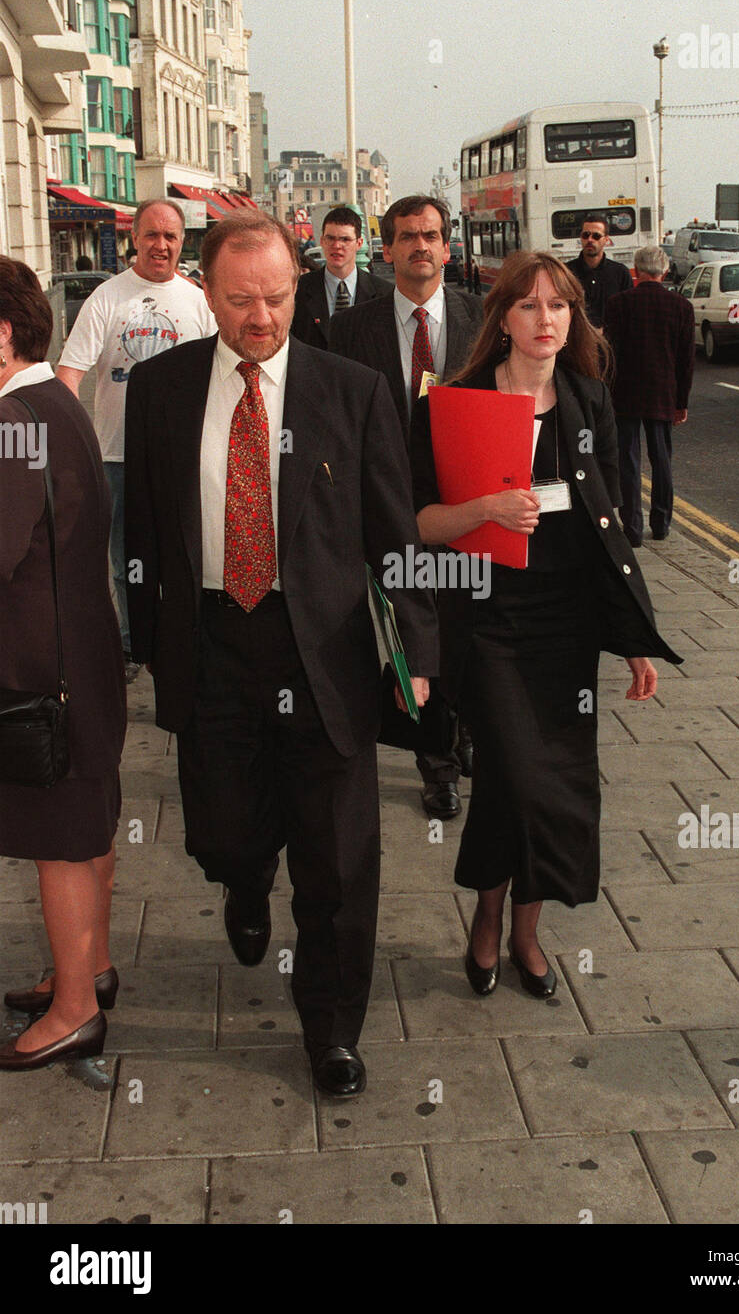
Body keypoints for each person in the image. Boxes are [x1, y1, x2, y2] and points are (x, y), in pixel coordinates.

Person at [124, 213, 438, 1098]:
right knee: (225, 825)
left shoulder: (352, 391)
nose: (259, 318)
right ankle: (244, 876)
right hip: (213, 645)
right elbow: (143, 524)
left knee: (338, 858)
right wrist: (146, 641)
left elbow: (394, 530)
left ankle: (331, 1029)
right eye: (238, 299)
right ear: (206, 290)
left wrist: (415, 647)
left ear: (297, 288)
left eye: (275, 298)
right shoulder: (161, 389)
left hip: (324, 653)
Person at [409, 250, 680, 999]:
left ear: (573, 318)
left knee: (543, 783)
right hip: (488, 621)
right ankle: (496, 924)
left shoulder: (586, 398)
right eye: (527, 306)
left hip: (564, 626)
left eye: (558, 306)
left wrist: (631, 638)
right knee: (521, 777)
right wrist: (484, 512)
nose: (545, 320)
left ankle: (513, 930)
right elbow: (415, 522)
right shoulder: (454, 400)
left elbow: (610, 525)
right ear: (501, 319)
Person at [0, 258, 126, 1071]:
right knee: (87, 830)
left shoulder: (15, 420)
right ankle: (91, 968)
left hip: (41, 679)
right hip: (82, 659)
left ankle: (76, 1011)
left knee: (60, 843)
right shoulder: (57, 403)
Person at [329, 195, 482, 820]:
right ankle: (436, 765)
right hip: (391, 513)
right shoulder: (349, 329)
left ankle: (463, 730)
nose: (421, 245)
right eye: (407, 236)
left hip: (468, 508)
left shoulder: (482, 317)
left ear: (447, 248)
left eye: (432, 235)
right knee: (417, 636)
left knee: (466, 633)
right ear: (385, 250)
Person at [55, 200, 215, 684]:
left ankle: (191, 636)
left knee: (191, 553)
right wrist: (72, 446)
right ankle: (132, 643)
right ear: (134, 238)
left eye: (170, 236)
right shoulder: (106, 299)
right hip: (117, 455)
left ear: (182, 240)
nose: (161, 245)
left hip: (187, 457)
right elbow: (68, 376)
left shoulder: (199, 301)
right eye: (151, 235)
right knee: (127, 561)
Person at [603, 244, 696, 547]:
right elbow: (686, 361)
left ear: (636, 270)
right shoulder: (681, 306)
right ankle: (661, 523)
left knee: (628, 462)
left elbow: (609, 354)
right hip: (663, 394)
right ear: (665, 271)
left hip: (625, 394)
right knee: (662, 460)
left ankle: (631, 528)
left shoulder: (618, 304)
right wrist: (681, 403)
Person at [291, 206, 389, 348]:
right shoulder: (297, 290)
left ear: (359, 244)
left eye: (345, 239)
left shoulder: (383, 293)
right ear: (322, 241)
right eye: (330, 238)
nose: (337, 245)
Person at [566, 215, 633, 329]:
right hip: (577, 342)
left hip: (610, 343)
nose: (590, 240)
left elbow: (629, 312)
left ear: (606, 240)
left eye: (596, 236)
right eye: (585, 235)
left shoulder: (620, 273)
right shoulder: (566, 272)